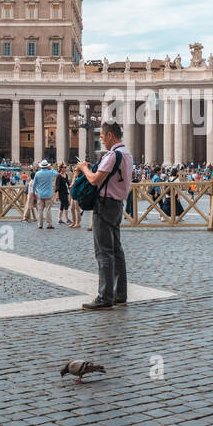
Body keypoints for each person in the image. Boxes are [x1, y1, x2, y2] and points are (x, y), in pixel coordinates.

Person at [75, 121, 134, 311]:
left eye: (102, 137)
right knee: (117, 251)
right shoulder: (127, 154)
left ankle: (104, 296)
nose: (102, 141)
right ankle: (120, 295)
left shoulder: (112, 155)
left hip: (105, 204)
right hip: (117, 205)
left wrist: (84, 168)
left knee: (104, 252)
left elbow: (94, 179)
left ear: (110, 136)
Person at [32, 159, 58, 229]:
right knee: (48, 210)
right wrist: (51, 168)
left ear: (41, 166)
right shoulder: (50, 172)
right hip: (48, 194)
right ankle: (49, 224)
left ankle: (40, 224)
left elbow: (34, 184)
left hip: (40, 194)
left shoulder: (37, 174)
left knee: (40, 210)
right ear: (47, 166)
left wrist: (33, 192)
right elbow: (57, 173)